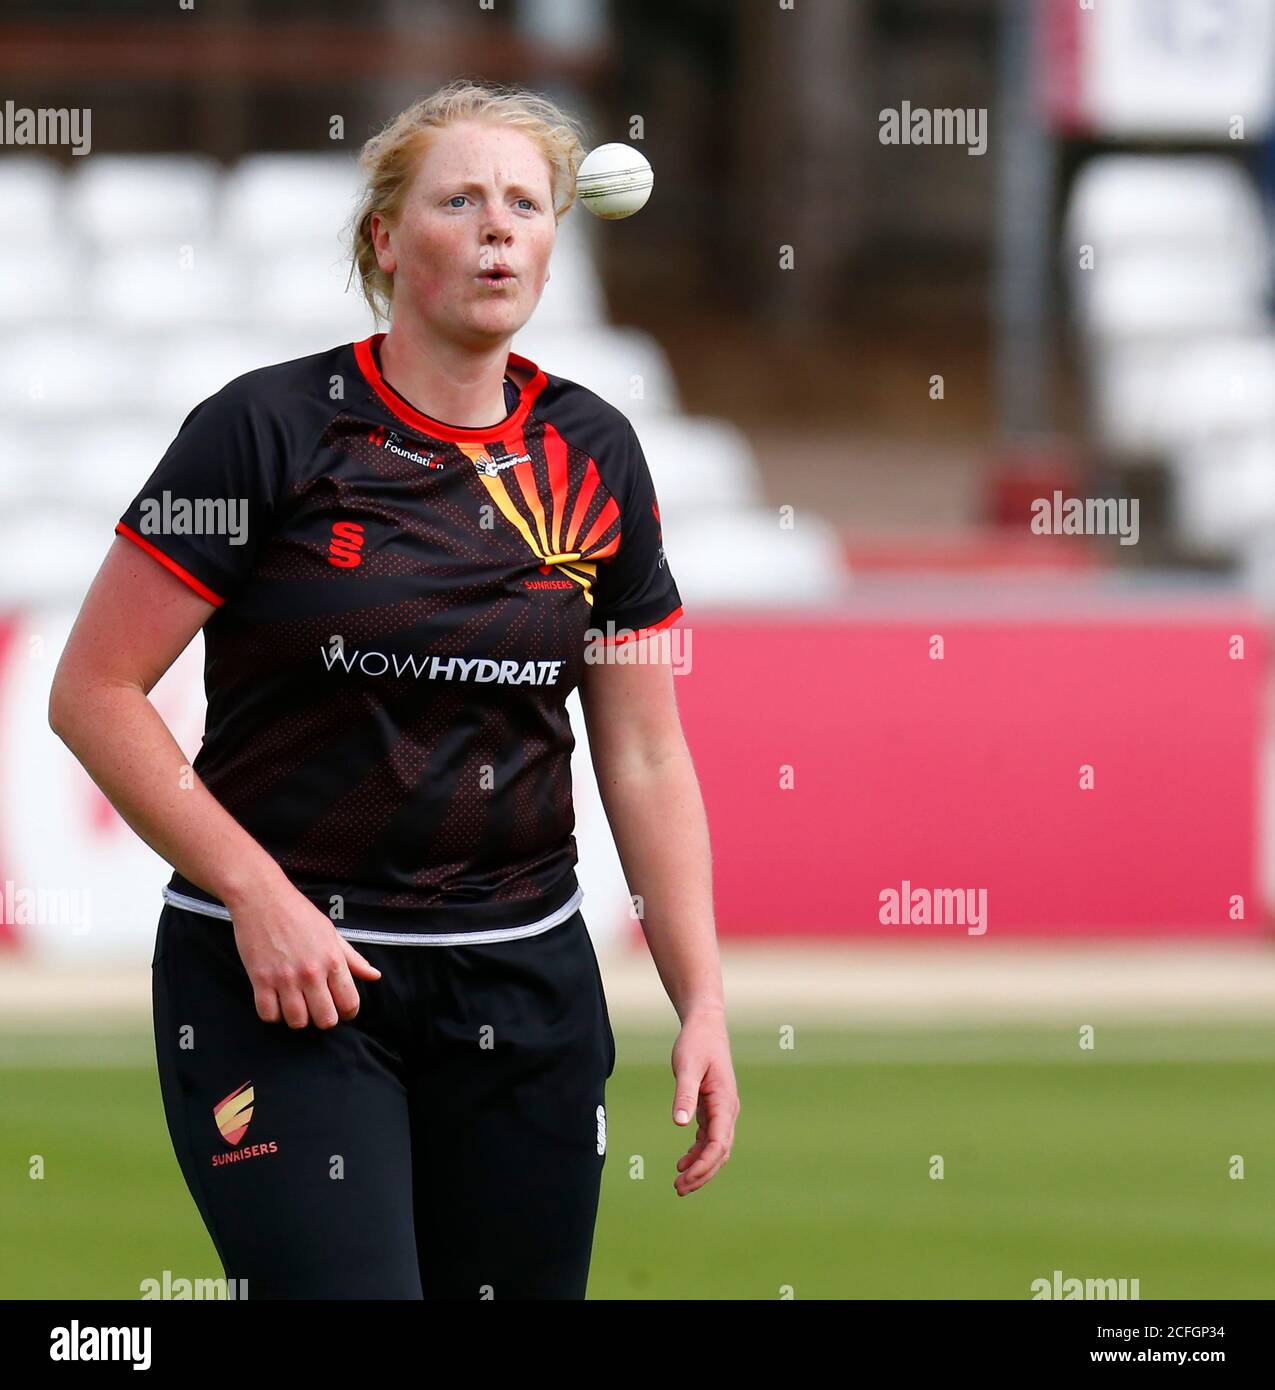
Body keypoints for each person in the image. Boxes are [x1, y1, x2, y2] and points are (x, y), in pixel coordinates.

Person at [47, 78, 738, 1300]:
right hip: (285, 981)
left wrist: (703, 999)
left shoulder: (598, 454)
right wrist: (254, 892)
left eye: (525, 203)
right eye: (460, 198)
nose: (497, 227)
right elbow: (95, 690)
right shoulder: (265, 430)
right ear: (385, 238)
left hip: (524, 983)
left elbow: (642, 755)